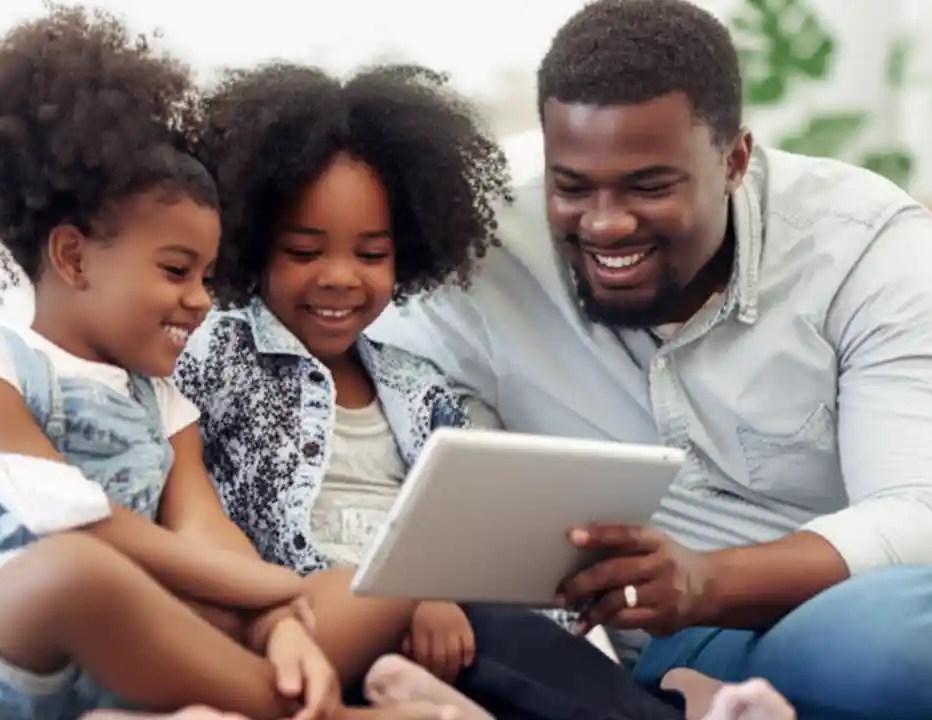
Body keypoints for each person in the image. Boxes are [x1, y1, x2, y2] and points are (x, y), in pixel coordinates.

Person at [371, 0, 932, 717]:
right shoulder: (477, 253)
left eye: (650, 186)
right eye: (573, 187)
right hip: (720, 631)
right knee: (897, 642)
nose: (604, 224)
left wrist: (708, 577)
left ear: (736, 159)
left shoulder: (860, 237)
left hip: (883, 553)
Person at [0, 8, 475, 720]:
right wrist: (272, 594)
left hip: (107, 660)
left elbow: (205, 533)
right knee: (74, 572)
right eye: (177, 270)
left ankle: (232, 702)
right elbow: (86, 530)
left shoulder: (161, 401)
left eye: (208, 276)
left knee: (370, 583)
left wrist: (278, 619)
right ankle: (330, 715)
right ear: (72, 257)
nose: (198, 300)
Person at [174, 61, 794, 720]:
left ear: (408, 251)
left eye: (372, 254)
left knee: (514, 633)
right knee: (501, 642)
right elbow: (195, 516)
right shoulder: (216, 357)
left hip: (444, 626)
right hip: (306, 620)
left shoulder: (420, 388)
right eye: (304, 252)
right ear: (248, 244)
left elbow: (474, 533)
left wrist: (446, 593)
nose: (339, 278)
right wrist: (412, 597)